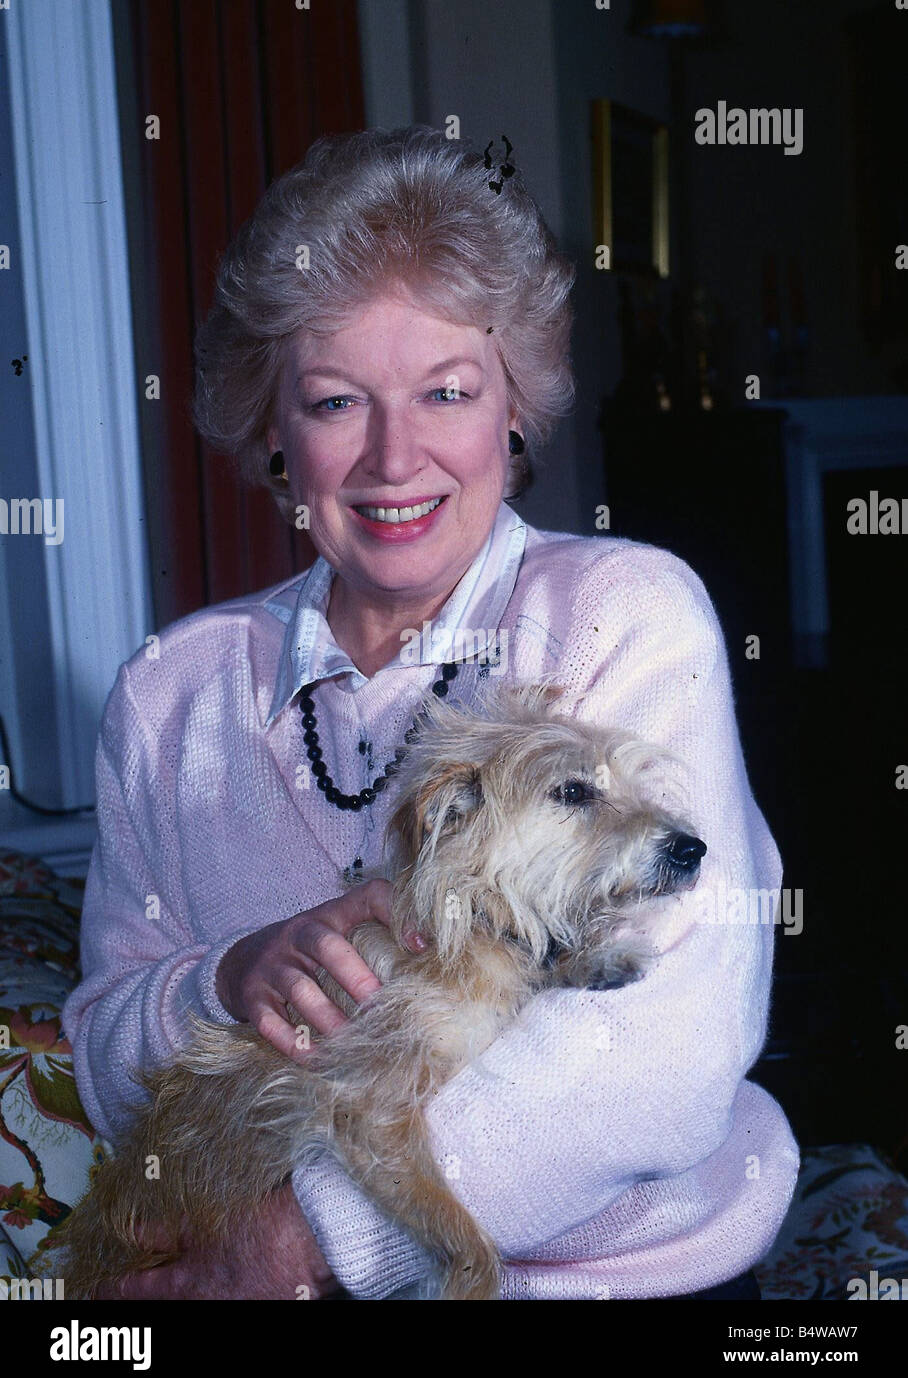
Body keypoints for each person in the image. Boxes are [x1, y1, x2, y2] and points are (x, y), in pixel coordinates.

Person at [61, 125, 799, 1300]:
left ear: (513, 408)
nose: (394, 458)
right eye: (336, 401)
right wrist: (225, 976)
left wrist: (304, 1246)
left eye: (446, 391)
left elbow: (668, 1041)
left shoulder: (619, 614)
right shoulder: (172, 695)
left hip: (607, 1281)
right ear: (272, 431)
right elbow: (105, 1055)